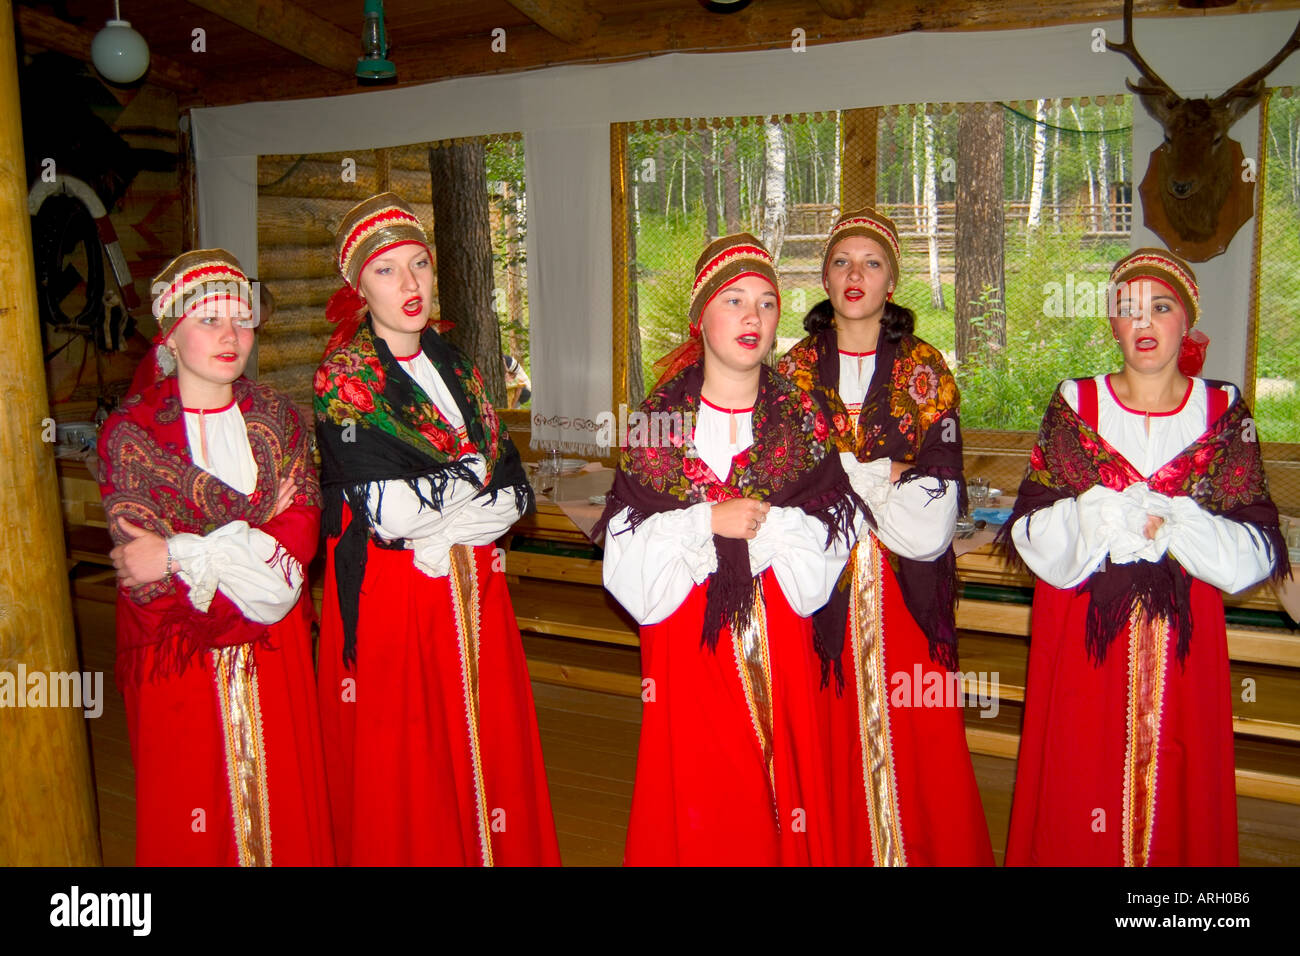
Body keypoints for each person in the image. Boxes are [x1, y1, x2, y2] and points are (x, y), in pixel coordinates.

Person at [1003, 248, 1287, 866]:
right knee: (1082, 774)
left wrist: (1178, 525)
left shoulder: (1222, 410)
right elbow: (1031, 530)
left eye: (1161, 308)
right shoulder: (1076, 404)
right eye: (1128, 310)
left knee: (1180, 780)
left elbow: (1254, 546)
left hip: (1186, 637)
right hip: (1084, 632)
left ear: (1186, 322)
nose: (1145, 323)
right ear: (1111, 324)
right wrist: (1106, 515)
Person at [598, 234, 862, 865]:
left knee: (781, 794)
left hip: (783, 637)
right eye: (735, 300)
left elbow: (837, 527)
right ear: (700, 317)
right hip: (690, 642)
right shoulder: (657, 419)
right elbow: (623, 549)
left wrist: (770, 529)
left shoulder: (801, 415)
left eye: (767, 303)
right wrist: (703, 523)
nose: (753, 316)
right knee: (705, 796)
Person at [314, 192, 559, 866]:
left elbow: (514, 494)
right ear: (358, 285)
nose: (411, 283)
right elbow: (387, 514)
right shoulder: (345, 378)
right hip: (395, 599)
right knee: (412, 769)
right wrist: (470, 477)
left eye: (419, 263)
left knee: (486, 750)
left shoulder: (457, 363)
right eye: (388, 270)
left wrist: (451, 508)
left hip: (476, 588)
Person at [98, 249, 332, 866]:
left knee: (285, 805)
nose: (232, 335)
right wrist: (251, 535)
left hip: (275, 657)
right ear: (171, 334)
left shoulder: (277, 419)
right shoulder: (131, 436)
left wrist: (179, 550)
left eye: (242, 319)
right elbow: (144, 580)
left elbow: (297, 543)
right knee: (194, 814)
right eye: (209, 319)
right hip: (181, 663)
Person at [777, 208, 993, 866]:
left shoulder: (925, 370)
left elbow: (938, 480)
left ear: (892, 282)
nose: (855, 274)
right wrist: (877, 471)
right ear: (823, 275)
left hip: (904, 583)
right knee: (825, 721)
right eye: (842, 261)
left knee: (918, 729)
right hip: (820, 583)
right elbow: (784, 474)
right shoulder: (790, 373)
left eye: (871, 263)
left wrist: (843, 472)